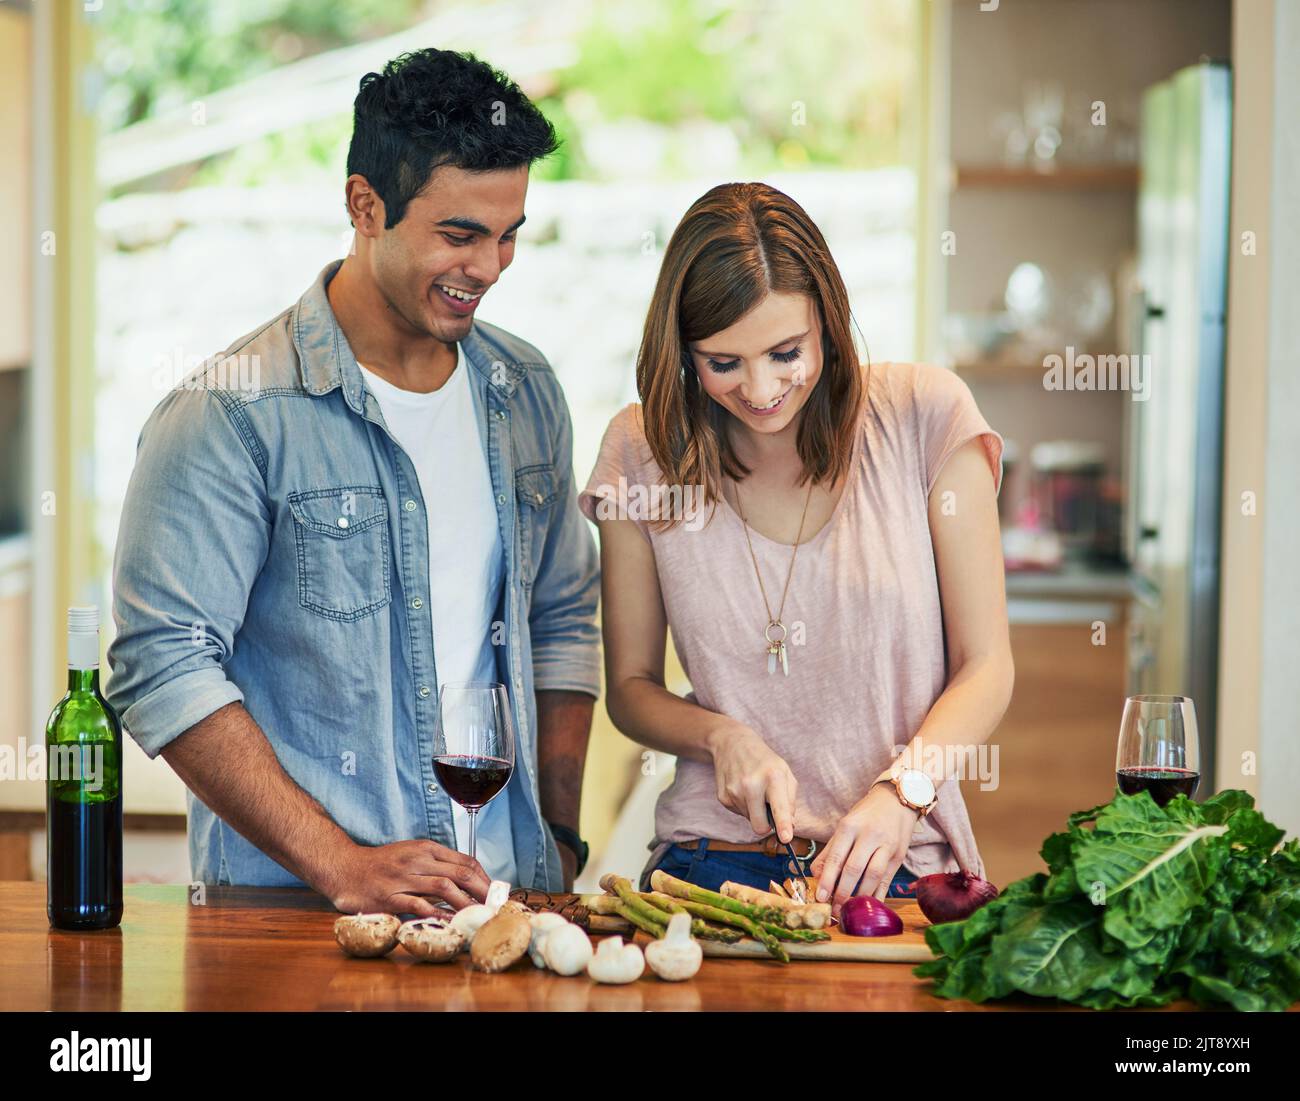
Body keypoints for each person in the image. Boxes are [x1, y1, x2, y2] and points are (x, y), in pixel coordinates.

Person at [108, 49, 600, 914]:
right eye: (459, 235)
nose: (489, 266)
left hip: (508, 907)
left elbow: (562, 617)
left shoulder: (523, 393)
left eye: (508, 233)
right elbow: (163, 662)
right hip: (299, 922)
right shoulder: (232, 415)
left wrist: (558, 838)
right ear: (363, 205)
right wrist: (342, 863)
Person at [581, 182, 1014, 918]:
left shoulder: (923, 417)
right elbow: (629, 686)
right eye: (723, 362)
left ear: (828, 324)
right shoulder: (641, 450)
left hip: (902, 867)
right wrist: (720, 736)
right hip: (710, 869)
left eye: (786, 352)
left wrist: (902, 792)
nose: (760, 389)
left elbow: (988, 666)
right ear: (682, 352)